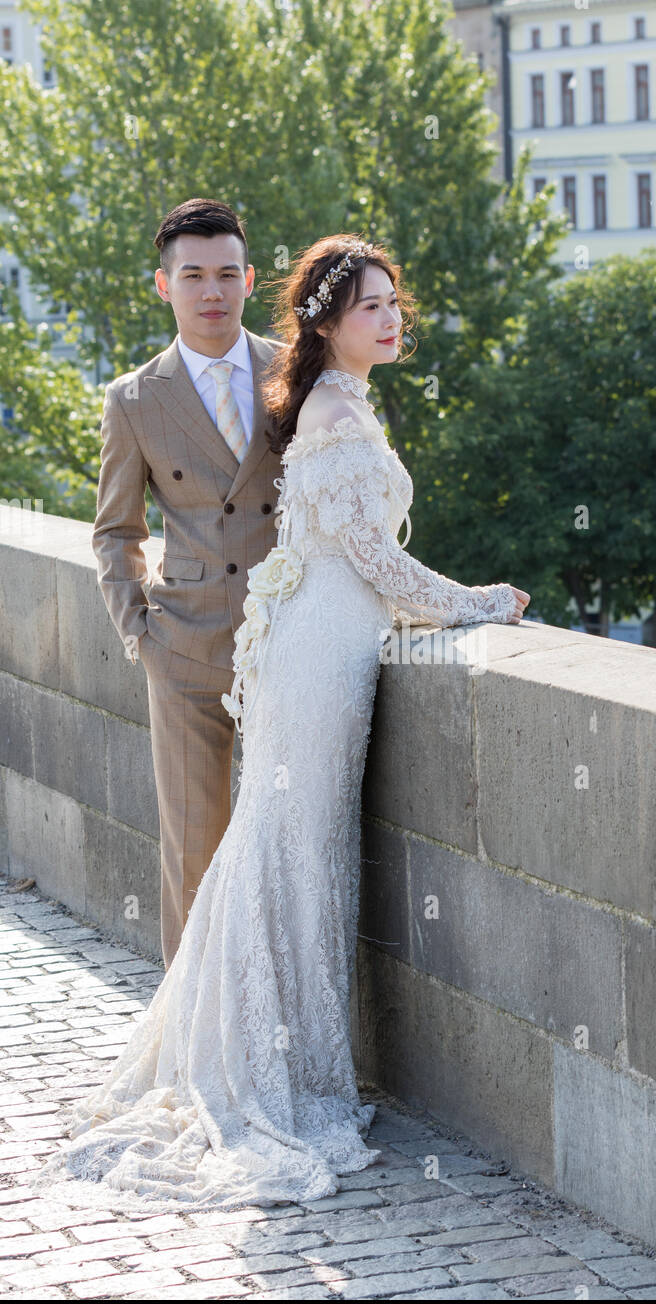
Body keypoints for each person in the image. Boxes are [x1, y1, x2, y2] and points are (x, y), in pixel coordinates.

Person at [29, 235, 529, 1214]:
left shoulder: (335, 399)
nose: (391, 319)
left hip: (318, 648)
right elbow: (376, 564)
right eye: (370, 306)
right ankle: (278, 1080)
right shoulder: (336, 412)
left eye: (395, 302)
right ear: (327, 321)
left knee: (289, 850)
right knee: (291, 853)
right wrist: (477, 601)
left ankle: (286, 1068)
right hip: (314, 659)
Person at [91, 198, 283, 969]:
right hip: (187, 650)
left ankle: (276, 1028)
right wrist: (141, 635)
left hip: (287, 640)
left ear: (248, 279)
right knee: (193, 855)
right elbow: (116, 530)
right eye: (194, 275)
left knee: (284, 849)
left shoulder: (294, 370)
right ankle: (193, 1044)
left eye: (228, 274)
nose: (214, 291)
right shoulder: (135, 399)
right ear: (163, 286)